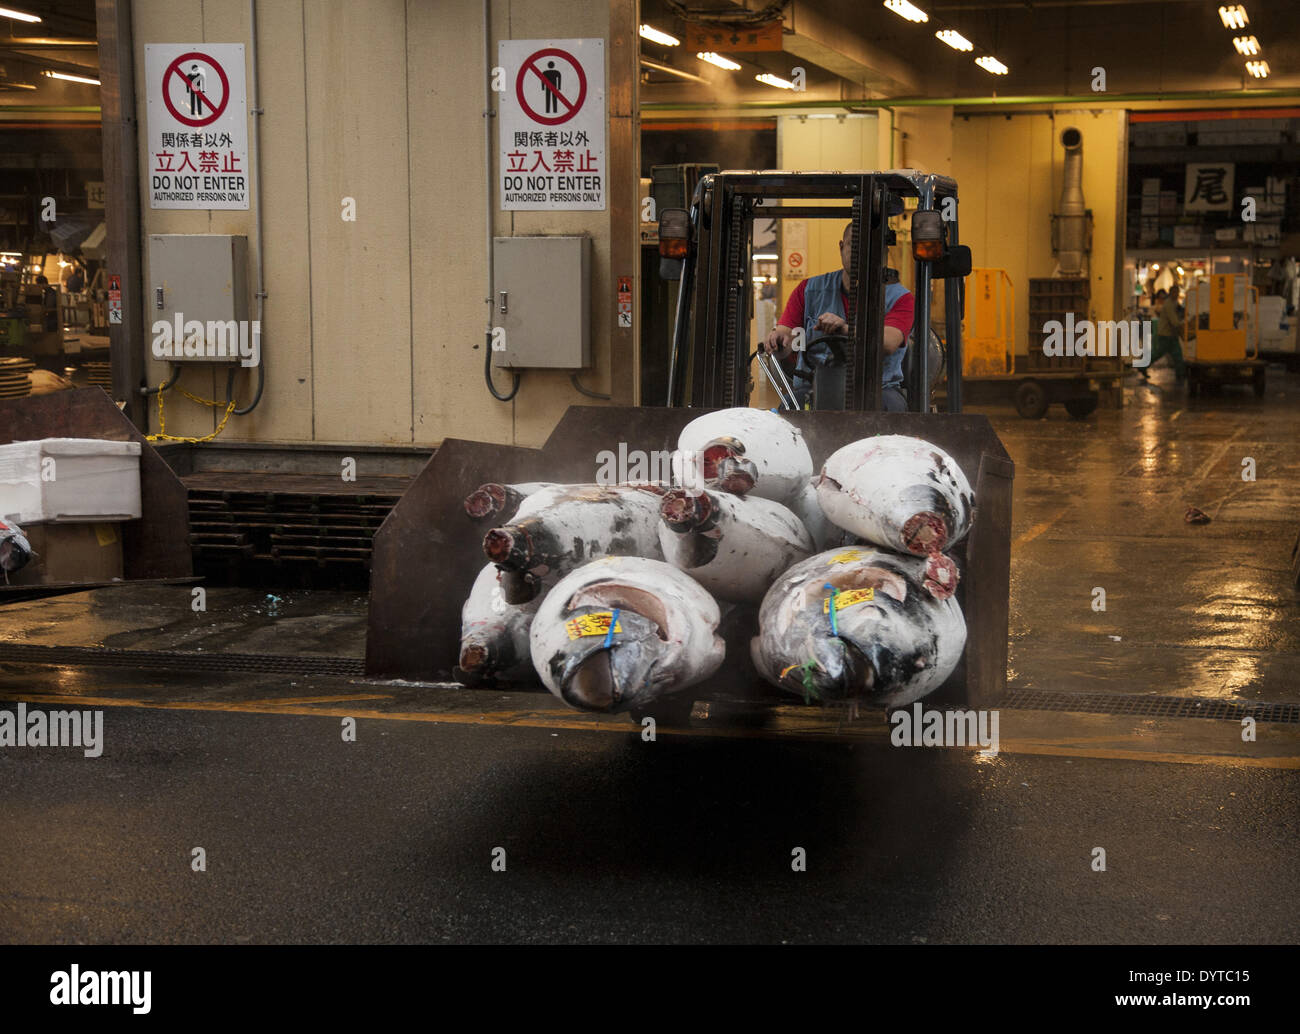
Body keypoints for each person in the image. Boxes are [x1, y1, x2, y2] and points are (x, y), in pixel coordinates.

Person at [763, 222, 915, 411]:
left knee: (889, 414)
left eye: (868, 246)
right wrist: (778, 341)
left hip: (878, 388)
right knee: (789, 409)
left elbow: (888, 342)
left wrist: (844, 330)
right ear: (842, 247)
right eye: (853, 244)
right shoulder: (807, 290)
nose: (860, 252)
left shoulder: (900, 298)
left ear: (882, 251)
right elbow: (786, 338)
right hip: (814, 386)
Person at [1146, 284, 1186, 383]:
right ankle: (1142, 366)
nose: (1176, 294)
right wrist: (1182, 324)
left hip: (1171, 334)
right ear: (1171, 293)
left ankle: (1180, 375)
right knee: (1158, 354)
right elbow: (1174, 321)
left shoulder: (1174, 303)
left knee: (1177, 355)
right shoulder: (1168, 304)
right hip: (1166, 334)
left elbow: (1179, 313)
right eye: (1174, 292)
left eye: (1177, 292)